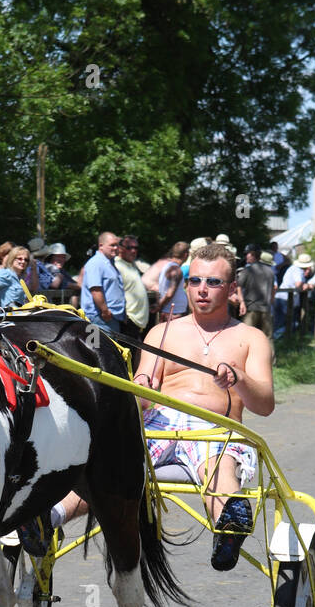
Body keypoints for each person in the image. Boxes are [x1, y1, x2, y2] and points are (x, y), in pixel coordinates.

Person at [37, 244, 274, 571]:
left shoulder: (251, 338)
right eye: (195, 281)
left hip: (215, 429)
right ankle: (47, 517)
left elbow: (265, 405)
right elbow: (142, 389)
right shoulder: (161, 332)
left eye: (214, 283)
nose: (202, 290)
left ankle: (229, 526)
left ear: (233, 289)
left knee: (216, 466)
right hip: (158, 425)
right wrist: (143, 388)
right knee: (109, 465)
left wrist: (240, 378)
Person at [80, 231, 124, 334]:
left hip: (109, 318)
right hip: (99, 318)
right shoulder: (95, 263)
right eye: (112, 245)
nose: (116, 248)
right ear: (101, 245)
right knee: (98, 348)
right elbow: (95, 290)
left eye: (117, 245)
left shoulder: (108, 263)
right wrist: (105, 311)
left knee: (111, 349)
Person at [142, 242, 189, 322]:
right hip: (174, 313)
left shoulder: (167, 266)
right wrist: (159, 306)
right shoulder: (176, 270)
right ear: (185, 255)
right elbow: (169, 293)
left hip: (171, 311)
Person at [115, 233, 150, 337]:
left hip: (138, 322)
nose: (133, 251)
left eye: (136, 248)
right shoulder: (116, 265)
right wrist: (124, 316)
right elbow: (115, 292)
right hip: (128, 321)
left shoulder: (132, 265)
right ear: (120, 248)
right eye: (129, 247)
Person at [236, 244, 274, 336]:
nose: (246, 256)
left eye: (247, 254)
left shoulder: (248, 270)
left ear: (252, 254)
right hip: (266, 309)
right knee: (267, 337)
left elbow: (238, 286)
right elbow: (273, 289)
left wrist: (242, 302)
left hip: (251, 309)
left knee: (246, 336)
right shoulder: (270, 271)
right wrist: (271, 303)